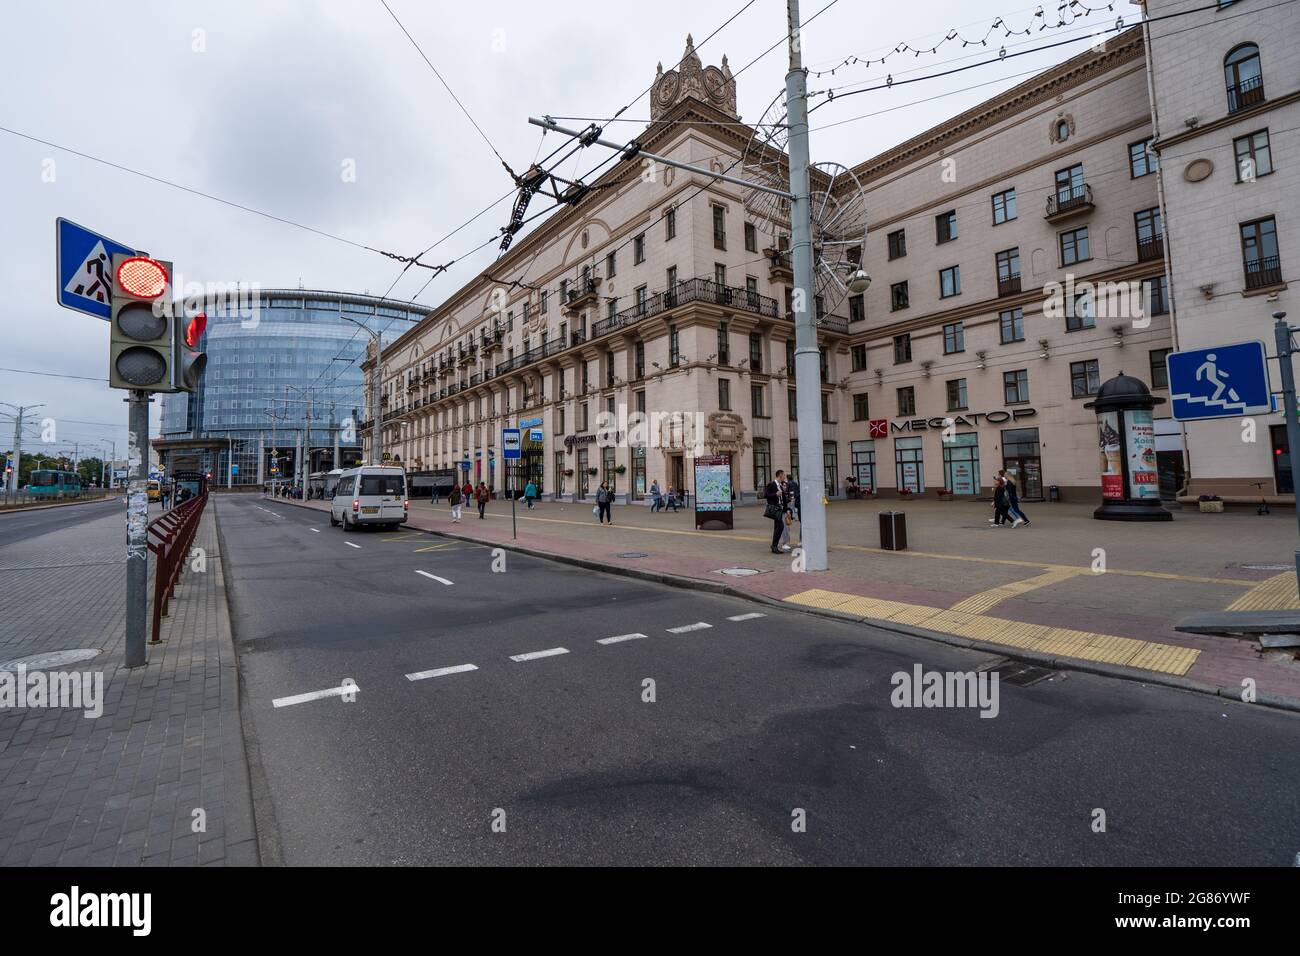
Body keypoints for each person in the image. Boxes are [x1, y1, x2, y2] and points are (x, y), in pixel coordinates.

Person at [763, 470, 787, 554]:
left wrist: (787, 506)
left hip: (780, 509)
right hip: (774, 509)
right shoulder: (771, 485)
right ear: (780, 475)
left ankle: (774, 546)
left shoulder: (781, 485)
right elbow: (766, 495)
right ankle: (774, 545)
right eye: (784, 475)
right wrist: (775, 494)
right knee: (780, 526)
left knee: (777, 527)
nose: (784, 477)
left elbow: (783, 499)